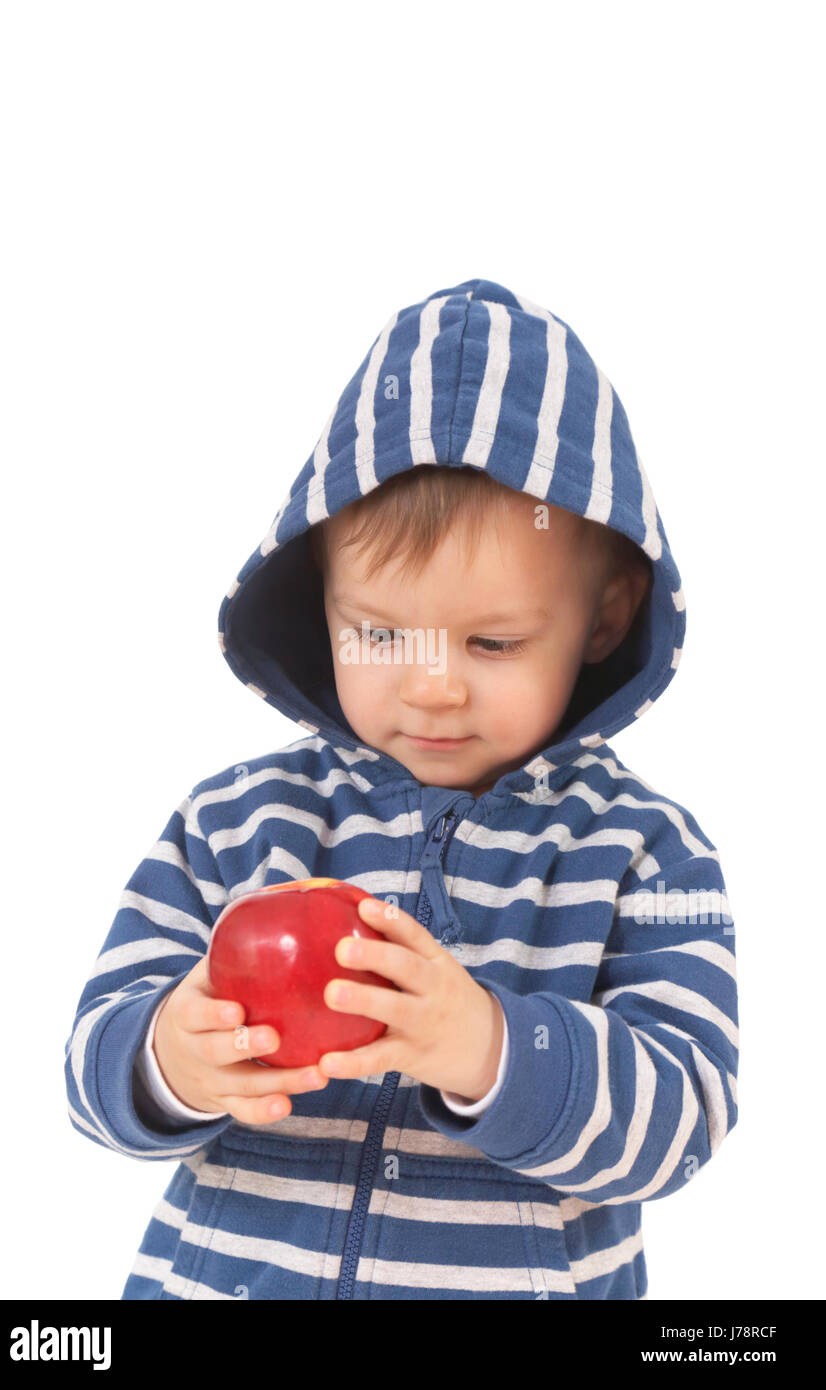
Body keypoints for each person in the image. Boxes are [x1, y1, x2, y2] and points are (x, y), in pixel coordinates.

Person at [64, 277, 739, 1300]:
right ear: (318, 599)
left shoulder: (641, 852)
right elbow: (89, 1067)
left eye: (493, 641)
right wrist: (169, 1055)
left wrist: (487, 1046)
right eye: (379, 633)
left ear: (603, 620)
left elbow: (679, 1119)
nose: (431, 682)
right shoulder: (234, 825)